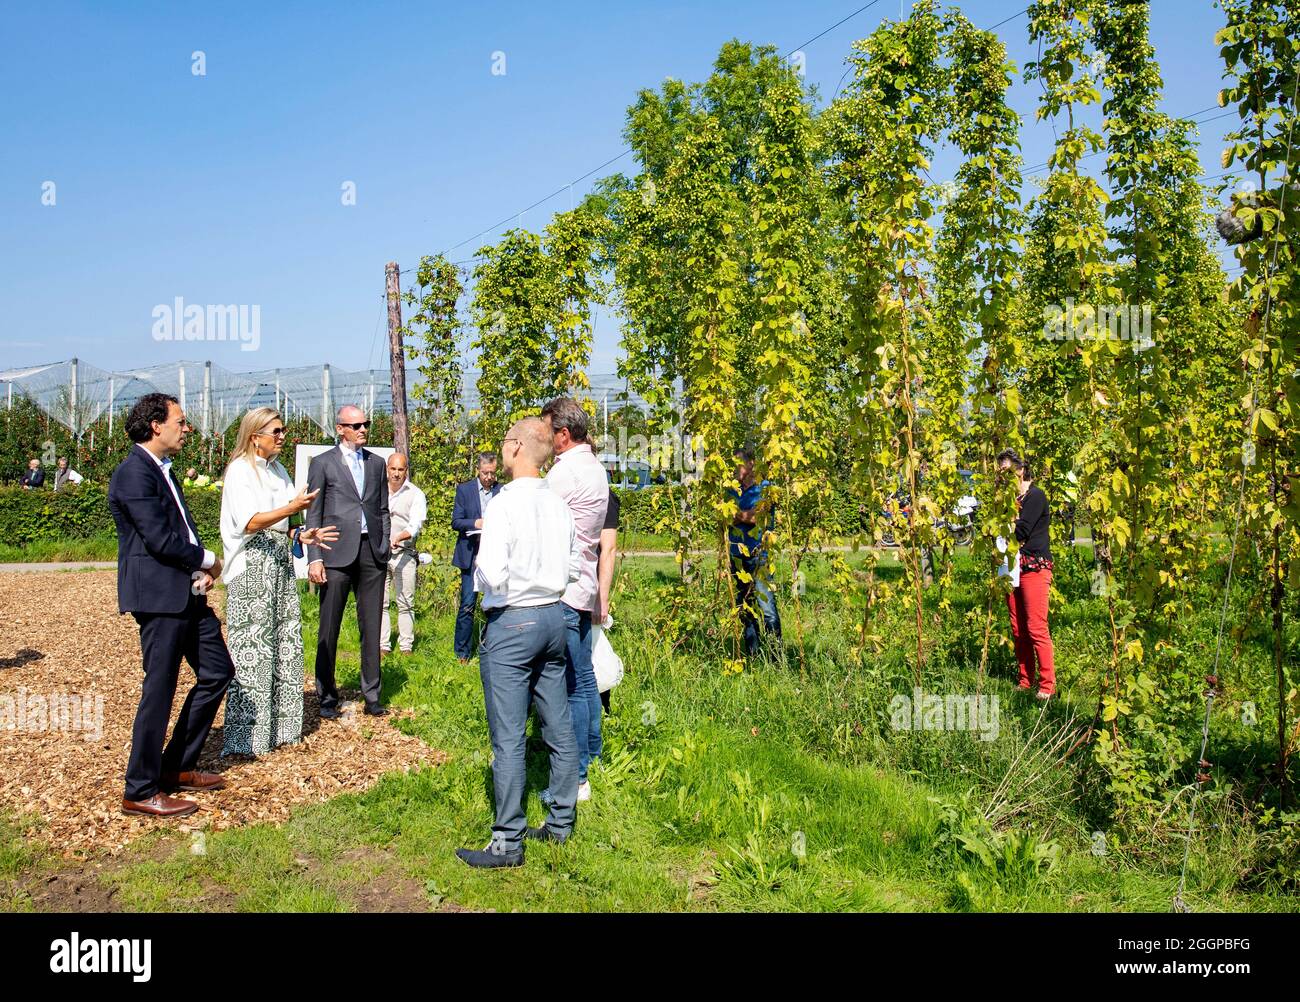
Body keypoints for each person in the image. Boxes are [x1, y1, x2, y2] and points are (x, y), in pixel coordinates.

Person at [455, 417, 581, 869]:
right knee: (558, 723)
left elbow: (488, 573)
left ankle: (508, 841)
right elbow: (573, 567)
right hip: (554, 616)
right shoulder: (558, 503)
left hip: (512, 622)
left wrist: (501, 591)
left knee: (508, 736)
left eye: (505, 441)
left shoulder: (505, 504)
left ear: (515, 448)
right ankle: (561, 822)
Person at [107, 393, 232, 818]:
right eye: (180, 420)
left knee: (217, 672)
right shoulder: (133, 473)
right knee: (159, 690)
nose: (187, 428)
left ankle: (176, 766)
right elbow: (159, 539)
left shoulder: (164, 471)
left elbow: (180, 530)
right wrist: (208, 560)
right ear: (156, 425)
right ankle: (140, 789)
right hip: (160, 598)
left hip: (187, 592)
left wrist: (200, 568)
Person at [219, 408, 338, 756]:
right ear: (255, 436)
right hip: (252, 567)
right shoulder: (241, 471)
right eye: (276, 431)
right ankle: (247, 738)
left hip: (278, 564)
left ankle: (281, 729)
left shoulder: (279, 470)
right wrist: (292, 509)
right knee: (253, 652)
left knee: (283, 645)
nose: (283, 436)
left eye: (283, 430)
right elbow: (251, 522)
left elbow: (283, 522)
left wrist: (303, 533)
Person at [540, 397, 608, 804]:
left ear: (563, 435)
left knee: (565, 685)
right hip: (583, 584)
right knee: (582, 679)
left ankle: (575, 777)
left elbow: (537, 515)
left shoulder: (565, 473)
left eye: (548, 433)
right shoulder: (594, 467)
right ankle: (590, 756)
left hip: (564, 589)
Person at [305, 405, 391, 718]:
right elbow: (312, 513)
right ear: (340, 428)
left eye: (365, 424)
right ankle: (327, 696)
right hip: (335, 554)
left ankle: (372, 695)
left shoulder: (377, 463)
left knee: (372, 625)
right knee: (329, 626)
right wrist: (315, 557)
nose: (362, 429)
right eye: (355, 425)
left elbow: (382, 508)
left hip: (371, 553)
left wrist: (383, 547)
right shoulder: (322, 463)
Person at [997, 449, 1055, 700]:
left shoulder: (1035, 497)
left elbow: (1021, 532)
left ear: (1020, 470)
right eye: (999, 474)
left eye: (1006, 472)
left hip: (1034, 568)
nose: (1002, 478)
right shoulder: (1008, 500)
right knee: (1018, 629)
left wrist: (1003, 524)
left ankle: (1047, 685)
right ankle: (1025, 679)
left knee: (1035, 628)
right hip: (1011, 567)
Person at [727, 447, 782, 657]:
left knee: (766, 607)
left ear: (751, 464)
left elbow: (758, 518)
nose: (734, 469)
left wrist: (738, 514)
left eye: (738, 463)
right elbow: (724, 517)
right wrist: (743, 515)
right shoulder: (731, 490)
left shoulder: (766, 489)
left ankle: (776, 656)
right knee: (745, 608)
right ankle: (752, 654)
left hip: (760, 555)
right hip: (737, 556)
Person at [450, 452, 501, 661]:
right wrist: (475, 523)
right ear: (477, 470)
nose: (489, 477)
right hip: (471, 554)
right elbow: (456, 521)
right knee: (468, 604)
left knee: (496, 604)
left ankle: (493, 649)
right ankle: (462, 651)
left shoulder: (502, 490)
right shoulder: (464, 490)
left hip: (495, 555)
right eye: (485, 473)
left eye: (492, 473)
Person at [381, 452, 427, 655]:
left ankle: (406, 646)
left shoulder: (416, 493)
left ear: (406, 470)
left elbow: (415, 524)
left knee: (406, 602)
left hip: (405, 554)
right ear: (387, 469)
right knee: (379, 602)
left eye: (401, 469)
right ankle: (383, 645)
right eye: (393, 469)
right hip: (379, 553)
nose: (397, 473)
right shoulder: (378, 490)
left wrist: (399, 538)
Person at [596, 484, 620, 714]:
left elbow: (609, 548)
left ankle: (603, 707)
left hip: (590, 585)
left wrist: (602, 597)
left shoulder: (605, 496)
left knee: (595, 650)